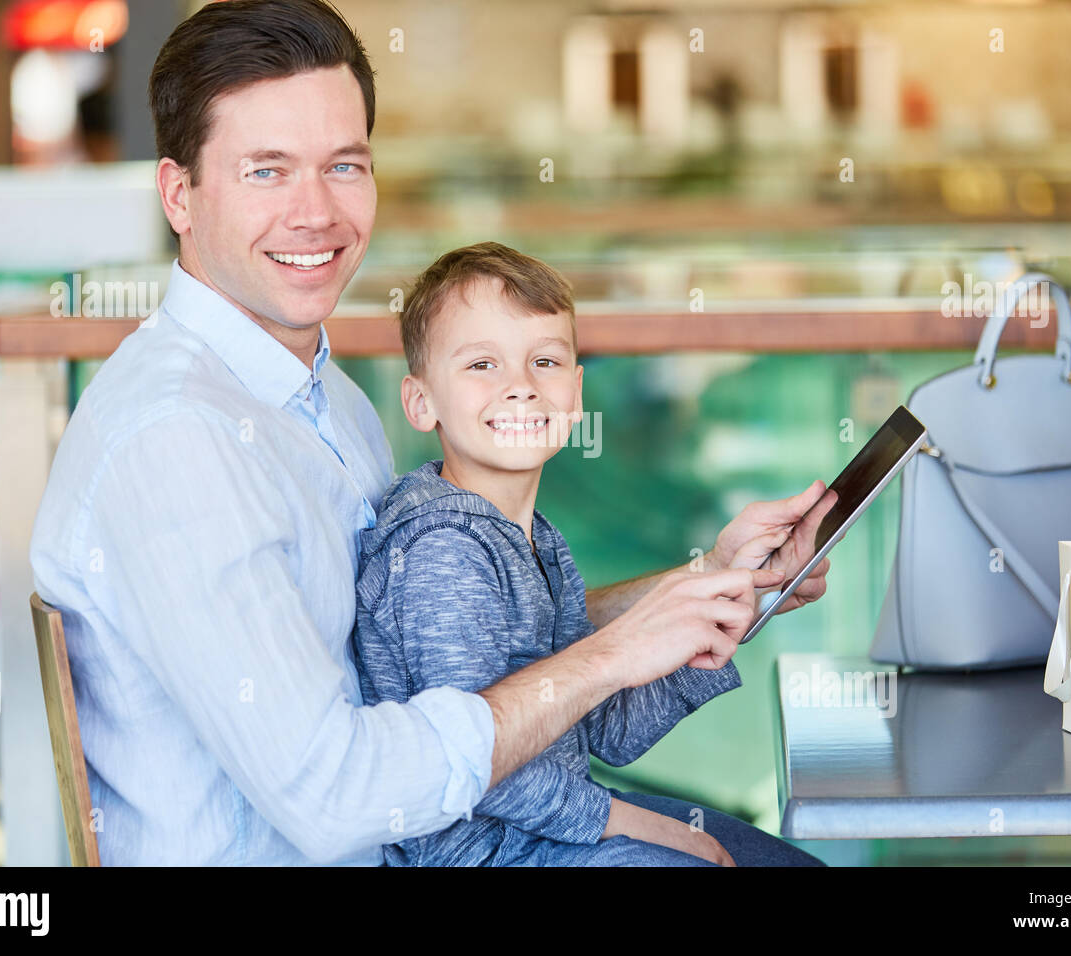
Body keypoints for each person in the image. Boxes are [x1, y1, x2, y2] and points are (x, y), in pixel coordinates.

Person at [29, 0, 831, 865]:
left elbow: (449, 644)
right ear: (179, 194)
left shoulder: (324, 399)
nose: (317, 214)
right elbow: (335, 796)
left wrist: (712, 587)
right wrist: (609, 661)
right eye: (267, 171)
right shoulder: (175, 441)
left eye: (343, 166)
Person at [354, 242, 830, 866]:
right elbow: (479, 764)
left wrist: (733, 600)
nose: (521, 388)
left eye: (544, 361)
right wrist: (637, 825)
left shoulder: (534, 537)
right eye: (481, 366)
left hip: (547, 827)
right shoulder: (443, 549)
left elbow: (605, 729)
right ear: (421, 402)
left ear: (575, 393)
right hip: (486, 852)